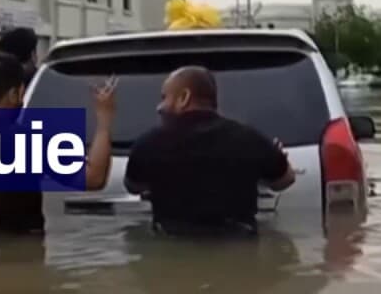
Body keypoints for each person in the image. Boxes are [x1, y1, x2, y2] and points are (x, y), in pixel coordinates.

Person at [0, 53, 117, 235]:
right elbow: (94, 178)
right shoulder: (27, 142)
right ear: (13, 94)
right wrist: (104, 120)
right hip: (21, 254)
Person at [123, 65, 295, 236]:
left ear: (184, 97)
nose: (159, 107)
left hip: (173, 248)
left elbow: (133, 187)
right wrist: (267, 163)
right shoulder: (249, 138)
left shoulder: (149, 144)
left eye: (164, 97)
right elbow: (285, 180)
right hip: (238, 248)